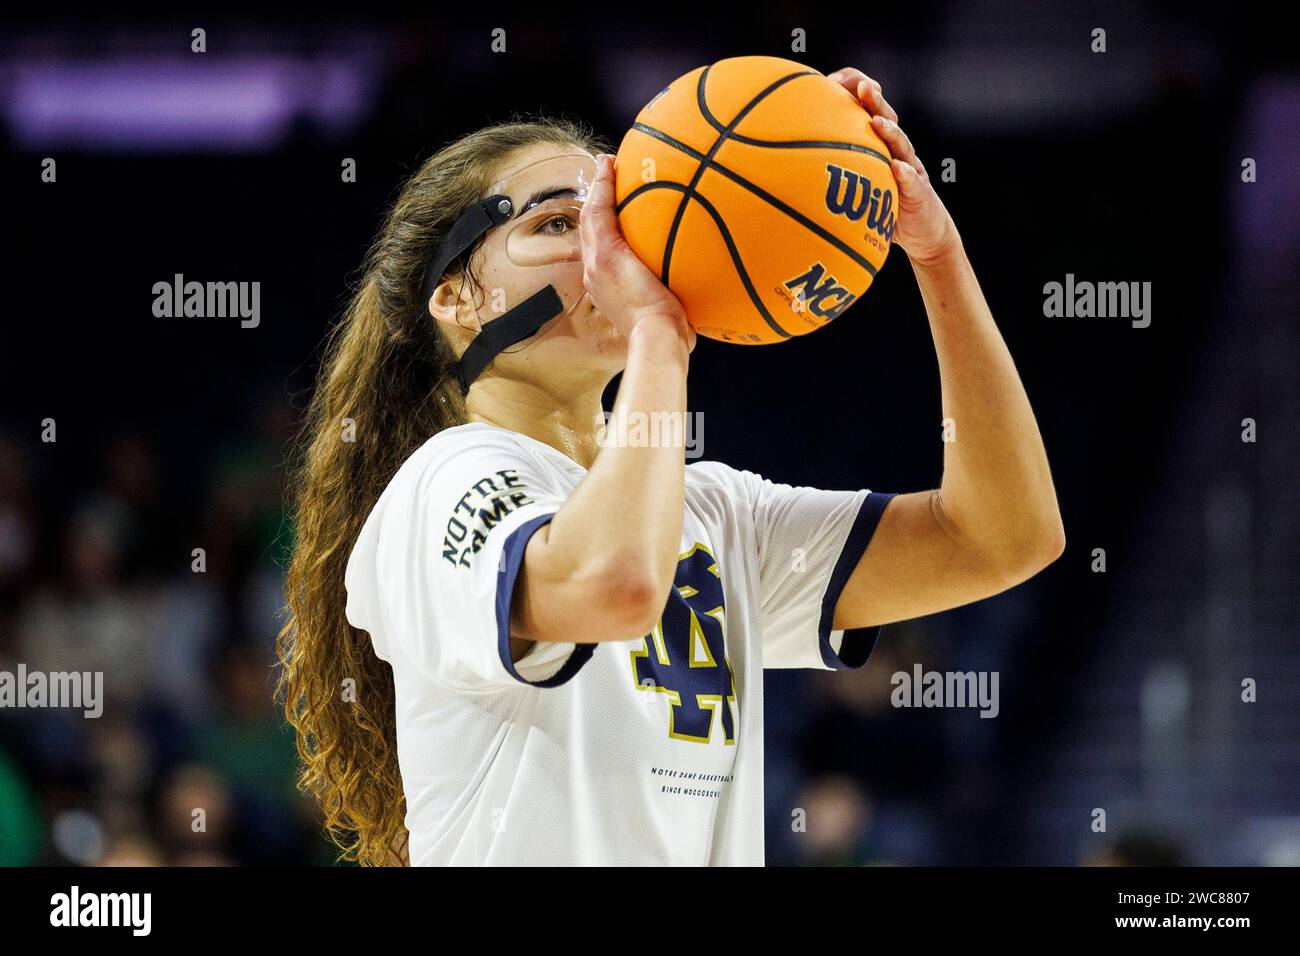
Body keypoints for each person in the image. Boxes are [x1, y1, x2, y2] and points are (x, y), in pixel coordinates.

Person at [277, 68, 1064, 866]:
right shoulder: (441, 482)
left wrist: (938, 256)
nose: (609, 250)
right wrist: (658, 332)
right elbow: (612, 584)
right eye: (557, 223)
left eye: (617, 219)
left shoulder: (716, 512)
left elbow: (1001, 537)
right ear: (458, 299)